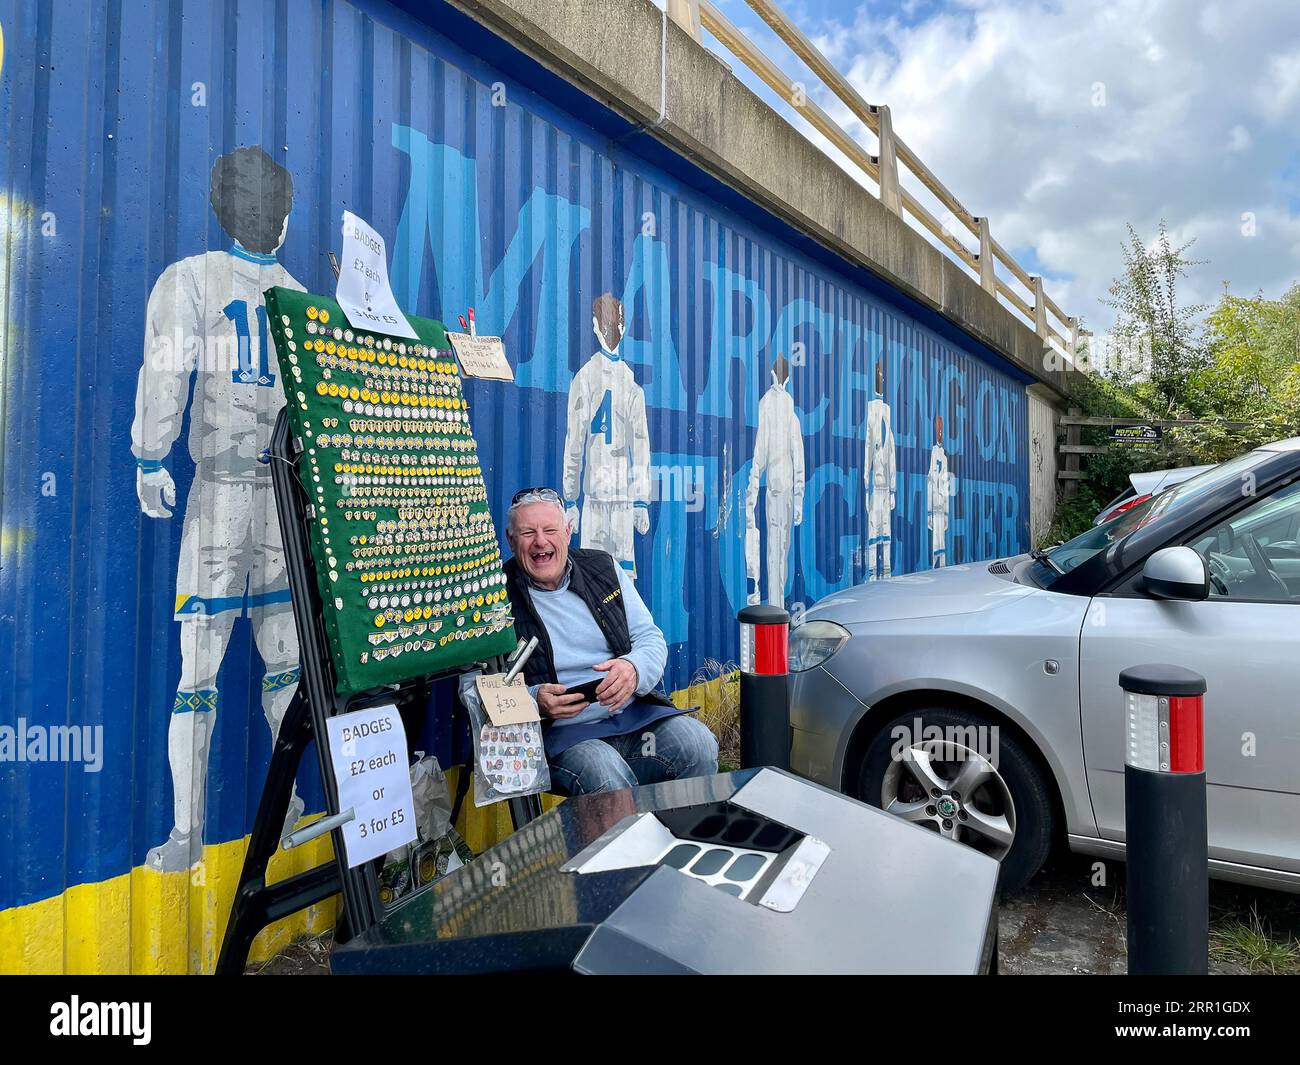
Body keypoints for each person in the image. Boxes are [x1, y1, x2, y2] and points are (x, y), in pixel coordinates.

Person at [132, 146, 304, 872]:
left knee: (199, 669)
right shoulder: (300, 299)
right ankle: (282, 808)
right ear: (283, 217)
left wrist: (150, 455)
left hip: (222, 491)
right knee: (282, 667)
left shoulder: (190, 280)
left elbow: (165, 368)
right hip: (278, 497)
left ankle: (188, 834)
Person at [502, 488, 718, 796]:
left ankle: (680, 834)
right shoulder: (495, 595)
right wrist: (533, 701)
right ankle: (630, 844)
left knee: (696, 745)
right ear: (511, 540)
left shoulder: (602, 568)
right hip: (564, 735)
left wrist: (633, 669)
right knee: (603, 773)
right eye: (528, 533)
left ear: (567, 531)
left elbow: (650, 638)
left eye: (550, 530)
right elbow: (477, 688)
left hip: (633, 719)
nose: (540, 541)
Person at [561, 293, 652, 577]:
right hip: (619, 498)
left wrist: (570, 499)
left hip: (600, 497)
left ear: (594, 325)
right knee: (617, 581)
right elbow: (640, 447)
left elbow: (574, 442)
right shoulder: (631, 386)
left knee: (595, 578)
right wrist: (640, 501)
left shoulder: (584, 378)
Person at [745, 353, 805, 607]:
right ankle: (776, 607)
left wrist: (798, 493)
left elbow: (790, 449)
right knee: (776, 549)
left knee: (779, 548)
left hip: (780, 487)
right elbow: (766, 448)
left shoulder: (777, 404)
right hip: (780, 487)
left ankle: (777, 605)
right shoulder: (771, 404)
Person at [864, 357, 896, 580]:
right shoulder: (871, 411)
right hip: (875, 484)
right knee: (874, 529)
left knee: (886, 530)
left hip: (885, 483)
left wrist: (893, 488)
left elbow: (891, 450)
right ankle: (873, 575)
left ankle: (885, 573)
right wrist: (866, 485)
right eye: (878, 374)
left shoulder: (887, 411)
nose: (881, 379)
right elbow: (868, 448)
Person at [927, 414, 953, 568]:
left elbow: (946, 485)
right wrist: (929, 513)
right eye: (938, 430)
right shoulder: (933, 454)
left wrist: (946, 514)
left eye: (941, 430)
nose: (940, 433)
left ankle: (942, 567)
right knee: (934, 543)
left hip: (941, 507)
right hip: (935, 506)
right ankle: (932, 566)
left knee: (941, 542)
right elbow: (931, 481)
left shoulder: (944, 457)